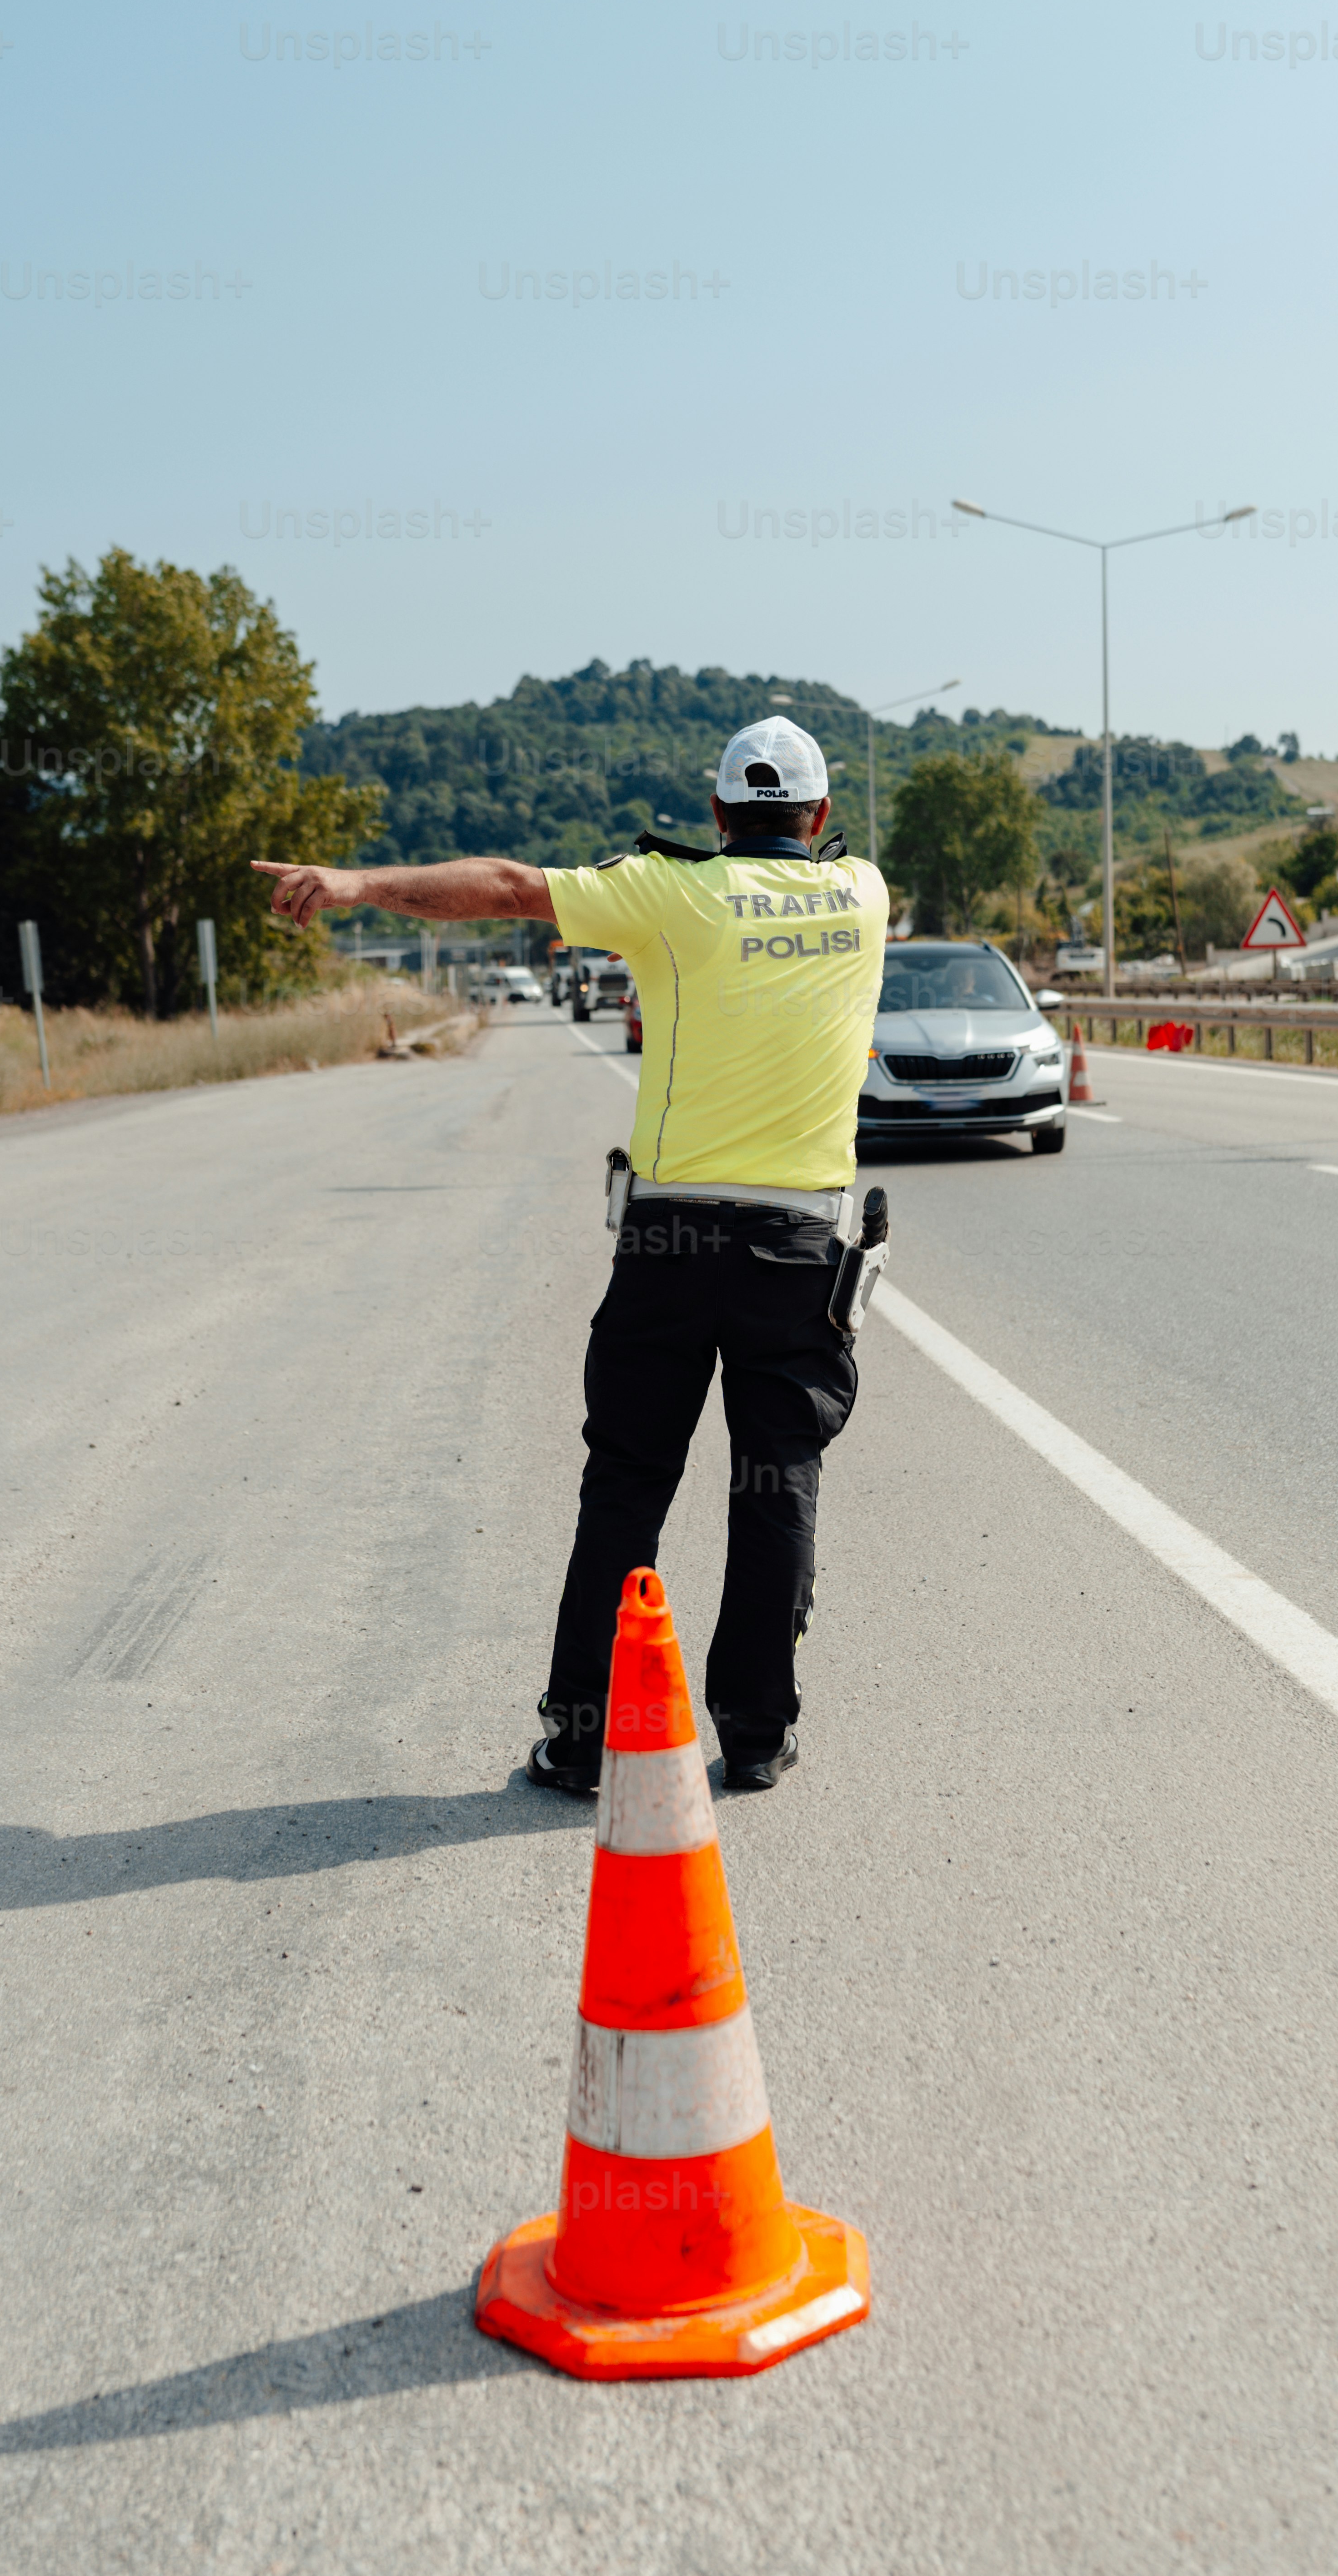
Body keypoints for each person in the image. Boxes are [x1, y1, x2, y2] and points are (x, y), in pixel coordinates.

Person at [252, 714, 890, 1795]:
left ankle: (586, 1737)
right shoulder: (862, 895)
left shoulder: (667, 893)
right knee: (775, 1486)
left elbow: (506, 887)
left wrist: (357, 884)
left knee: (627, 1484)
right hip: (795, 1250)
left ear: (717, 812)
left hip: (671, 1242)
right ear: (821, 814)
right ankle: (754, 1733)